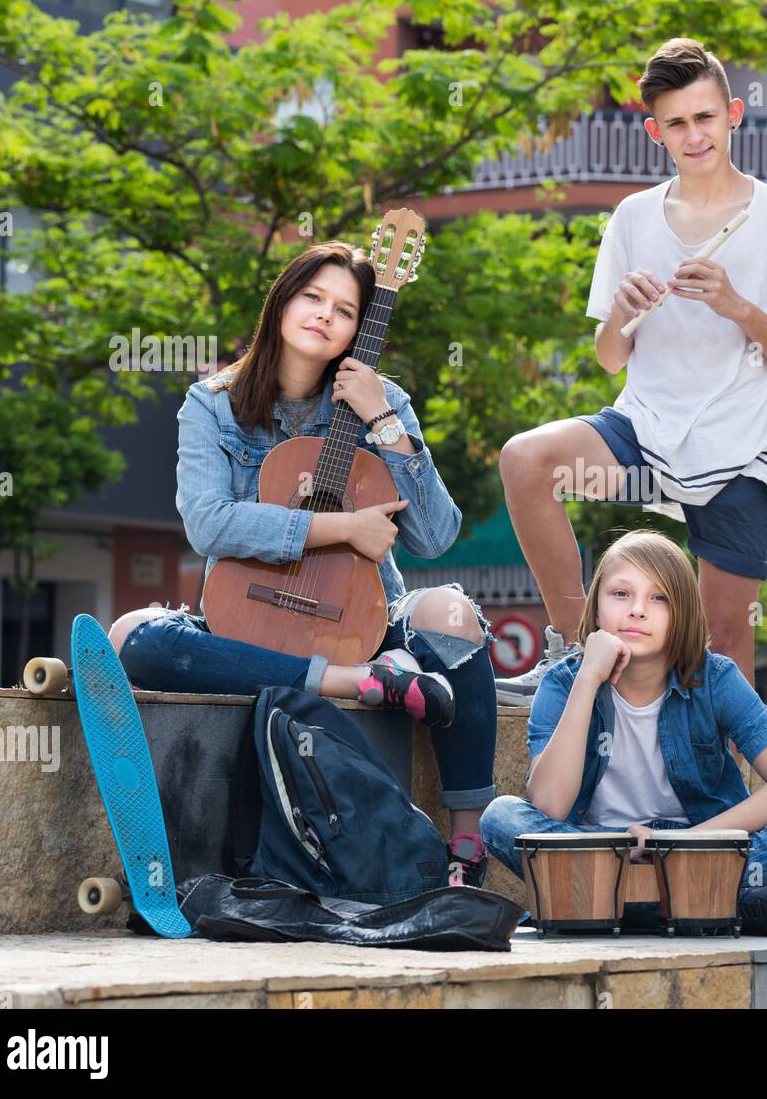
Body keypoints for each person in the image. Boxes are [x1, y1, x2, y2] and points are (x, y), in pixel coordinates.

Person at [107, 242, 497, 886]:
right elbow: (208, 523)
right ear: (282, 300)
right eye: (313, 297)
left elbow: (435, 536)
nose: (325, 315)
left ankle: (466, 844)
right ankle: (355, 681)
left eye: (345, 310)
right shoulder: (212, 404)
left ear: (358, 329)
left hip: (365, 618)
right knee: (131, 638)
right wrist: (339, 526)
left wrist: (384, 421)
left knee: (454, 615)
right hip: (246, 619)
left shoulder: (382, 398)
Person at [495, 37, 767, 702]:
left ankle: (734, 797)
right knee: (525, 460)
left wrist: (737, 305)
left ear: (734, 114)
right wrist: (621, 314)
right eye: (676, 122)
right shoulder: (632, 217)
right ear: (655, 132)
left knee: (726, 643)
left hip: (738, 446)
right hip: (643, 428)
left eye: (705, 117)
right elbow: (610, 356)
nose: (694, 134)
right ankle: (574, 653)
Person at [481, 530, 767, 936]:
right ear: (597, 607)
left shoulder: (715, 678)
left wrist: (675, 845)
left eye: (659, 598)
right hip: (599, 849)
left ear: (683, 614)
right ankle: (710, 905)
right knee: (501, 817)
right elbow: (549, 807)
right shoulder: (563, 683)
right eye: (621, 594)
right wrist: (588, 677)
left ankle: (609, 906)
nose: (637, 610)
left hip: (700, 847)